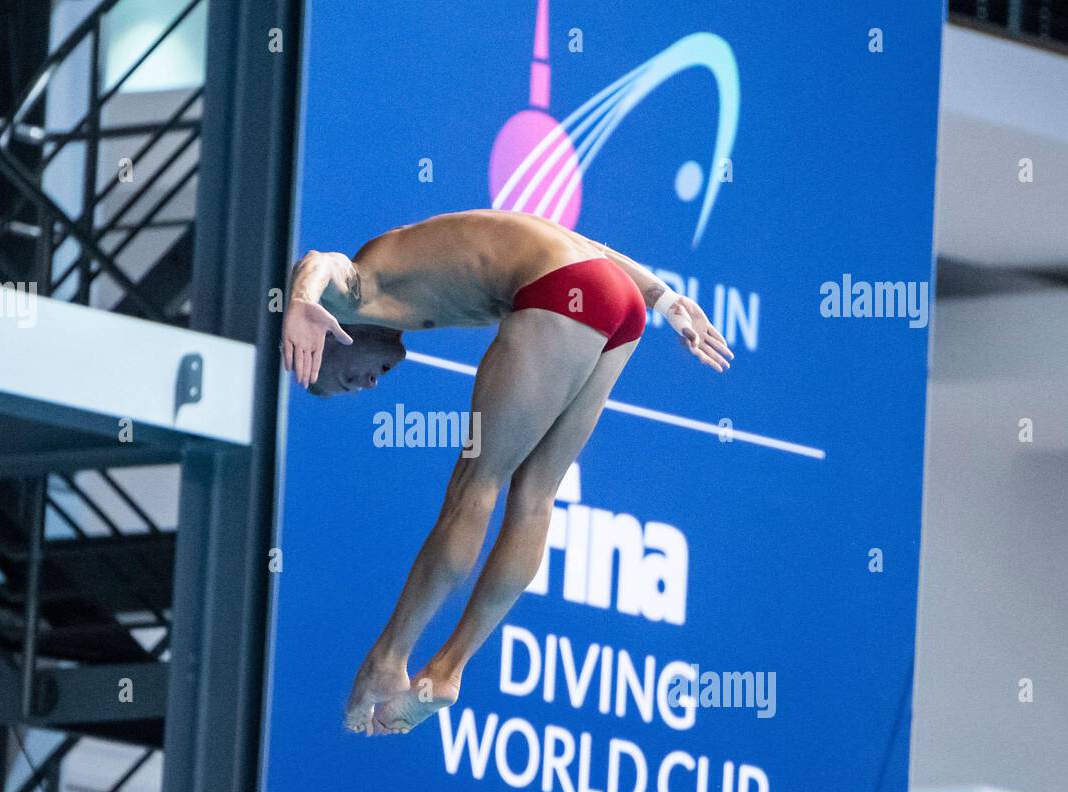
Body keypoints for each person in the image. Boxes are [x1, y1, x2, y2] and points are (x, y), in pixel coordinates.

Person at [281, 209, 732, 735]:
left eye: (332, 380)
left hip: (566, 288)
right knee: (536, 497)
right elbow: (574, 241)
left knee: (476, 485)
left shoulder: (357, 289)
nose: (365, 386)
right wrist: (664, 299)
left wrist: (300, 303)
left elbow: (319, 262)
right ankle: (447, 670)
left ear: (330, 336)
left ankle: (389, 658)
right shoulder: (411, 276)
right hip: (617, 299)